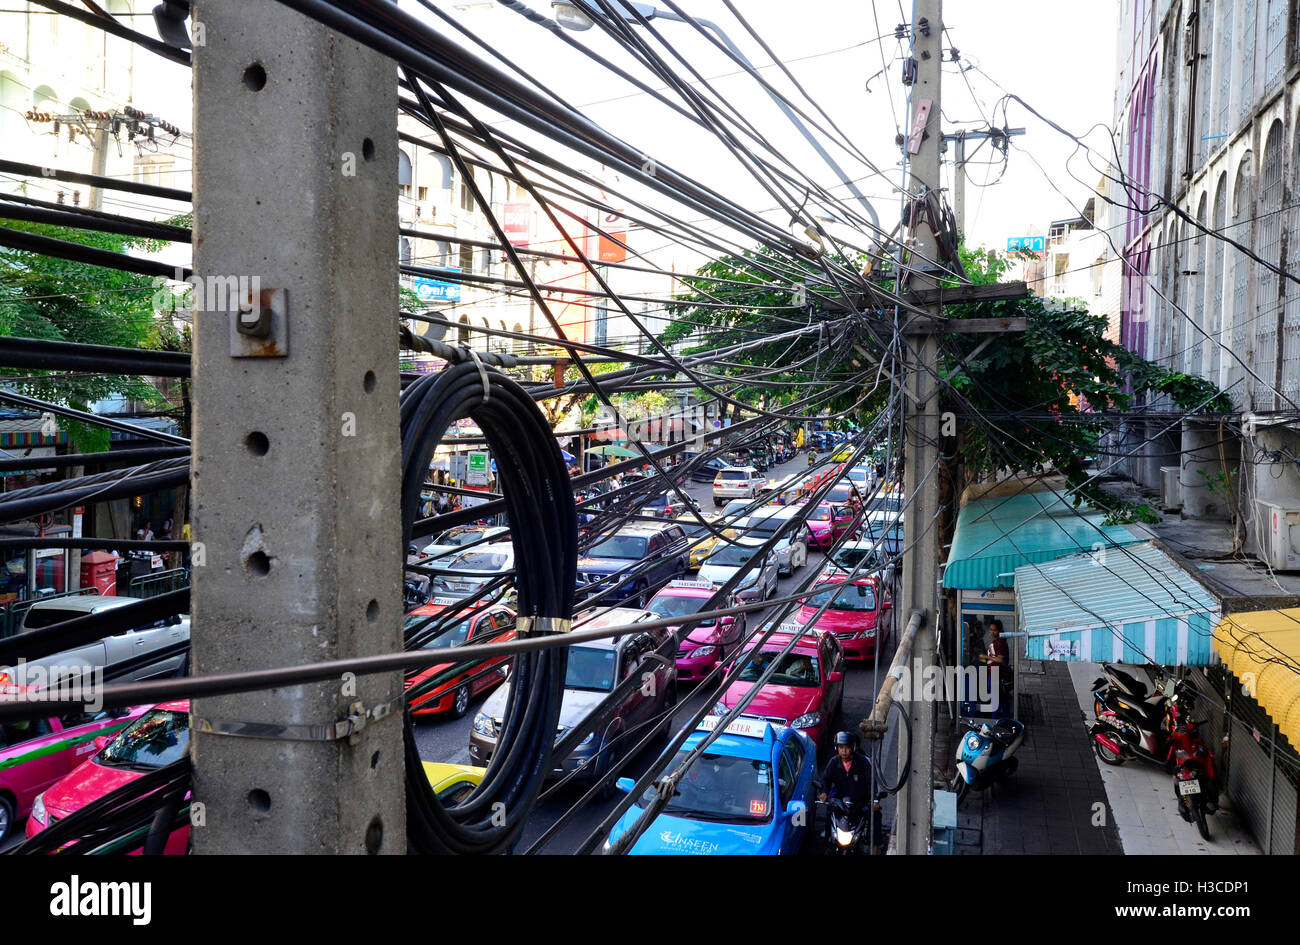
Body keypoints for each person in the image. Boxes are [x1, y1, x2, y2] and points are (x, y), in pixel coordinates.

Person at [818, 731, 885, 853]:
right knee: (830, 814)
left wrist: (874, 800)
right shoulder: (834, 762)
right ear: (836, 748)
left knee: (875, 816)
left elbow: (871, 782)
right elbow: (826, 779)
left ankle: (875, 847)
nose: (844, 751)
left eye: (847, 748)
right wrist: (824, 792)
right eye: (841, 748)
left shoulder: (863, 762)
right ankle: (828, 842)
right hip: (841, 801)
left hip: (860, 802)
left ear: (853, 748)